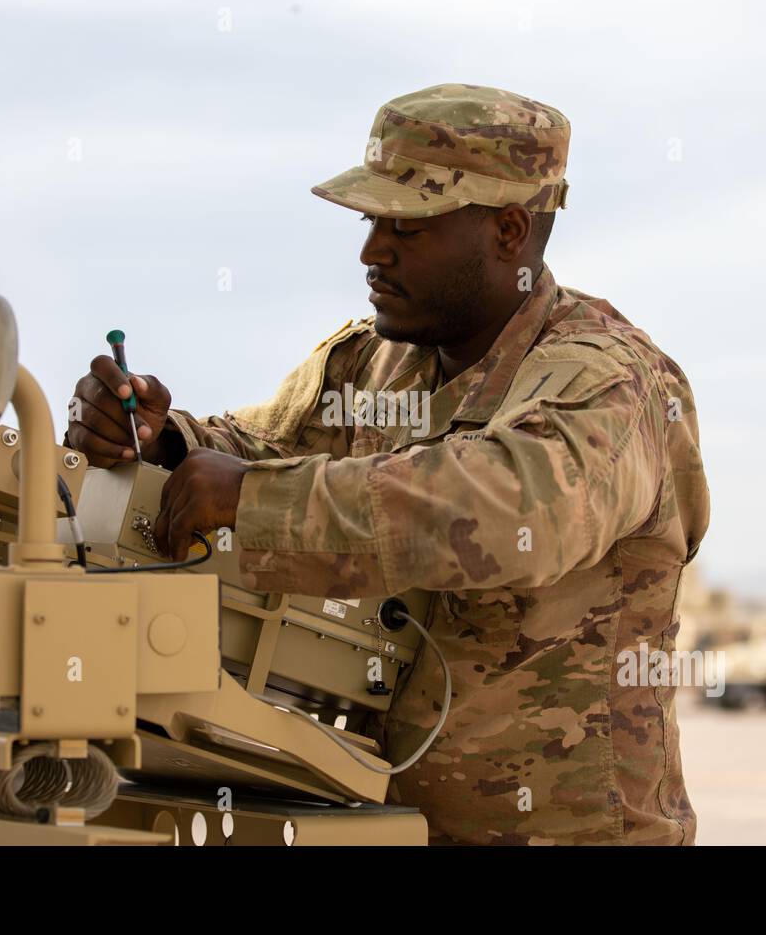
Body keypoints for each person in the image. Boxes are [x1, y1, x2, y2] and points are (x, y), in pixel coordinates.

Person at [67, 83, 710, 845]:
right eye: (373, 219)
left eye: (408, 223)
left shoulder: (608, 382)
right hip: (378, 822)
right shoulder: (376, 362)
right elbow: (267, 447)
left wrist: (253, 502)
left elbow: (511, 509)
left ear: (509, 232)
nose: (372, 250)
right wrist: (163, 441)